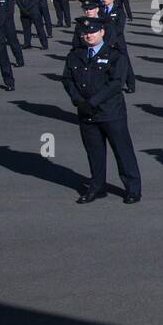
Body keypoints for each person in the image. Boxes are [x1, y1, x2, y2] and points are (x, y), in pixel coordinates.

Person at [61, 18, 141, 204]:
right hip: (86, 112)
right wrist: (78, 100)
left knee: (122, 151)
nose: (89, 35)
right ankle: (97, 187)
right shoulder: (75, 55)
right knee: (94, 153)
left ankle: (133, 189)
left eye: (93, 32)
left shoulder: (115, 55)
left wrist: (93, 101)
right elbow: (67, 79)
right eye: (85, 33)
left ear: (102, 32)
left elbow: (116, 84)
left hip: (111, 112)